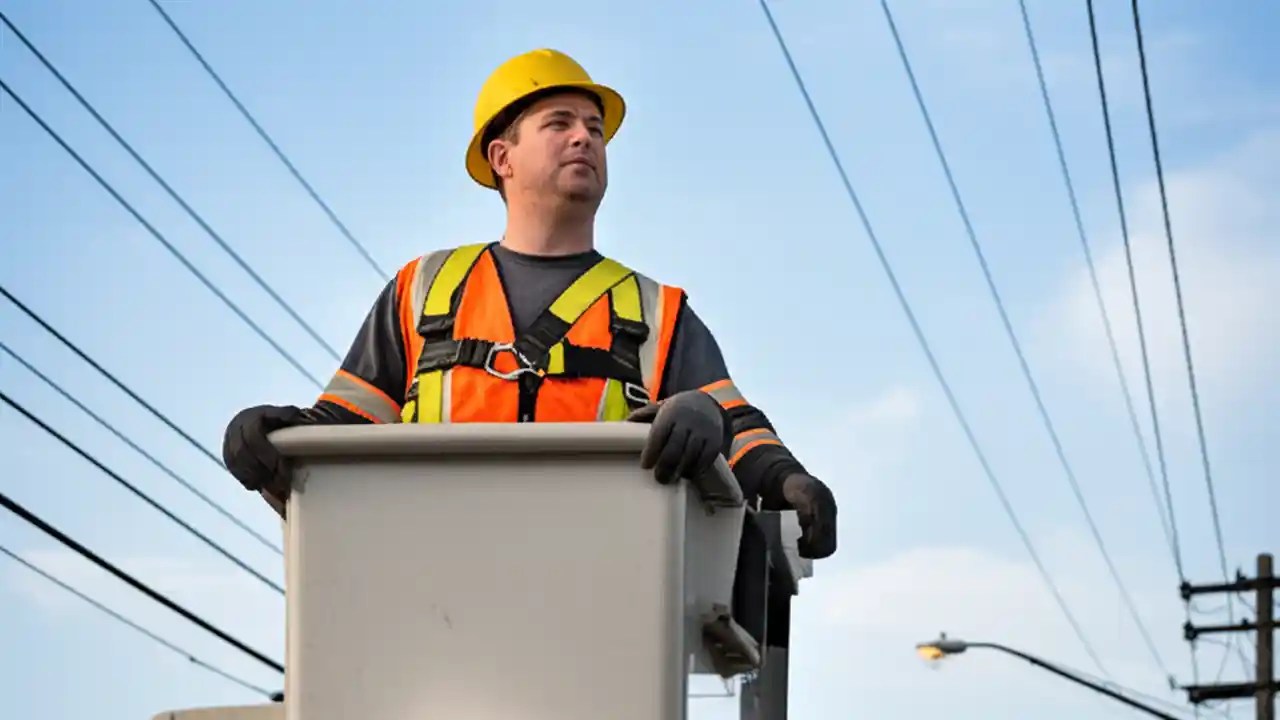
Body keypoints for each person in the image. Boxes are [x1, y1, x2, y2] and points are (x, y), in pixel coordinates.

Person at [221, 48, 838, 559]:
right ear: (502, 157)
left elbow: (735, 428)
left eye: (595, 129)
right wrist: (273, 433)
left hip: (600, 590)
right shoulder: (425, 287)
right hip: (429, 580)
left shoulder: (656, 310)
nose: (585, 139)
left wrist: (786, 479)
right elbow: (349, 423)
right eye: (560, 123)